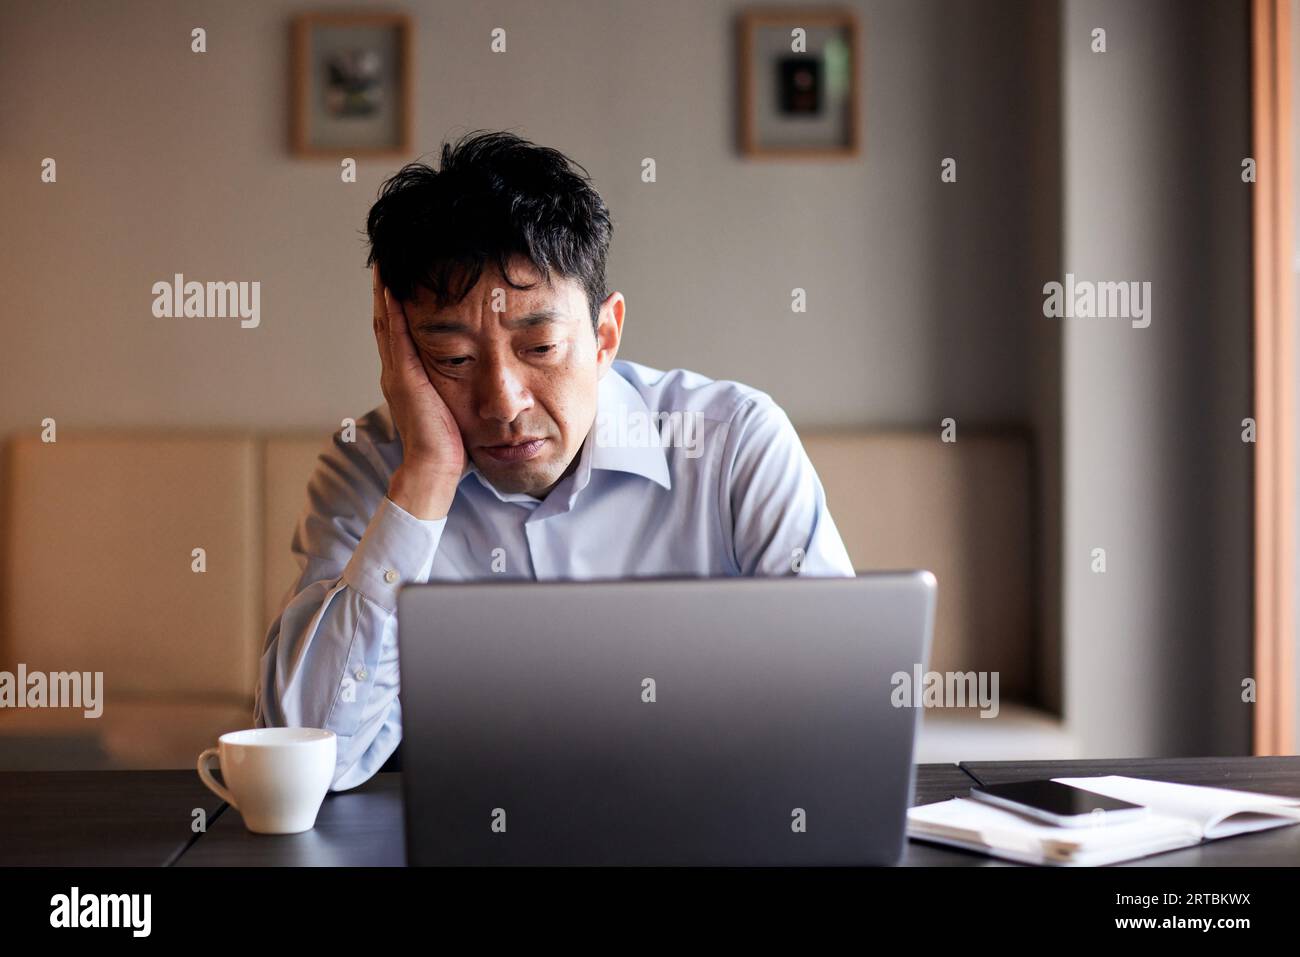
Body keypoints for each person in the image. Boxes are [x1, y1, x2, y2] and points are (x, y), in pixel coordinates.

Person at [254, 130, 855, 790]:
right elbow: (307, 760)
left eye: (538, 347)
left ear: (603, 336)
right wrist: (425, 478)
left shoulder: (733, 444)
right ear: (401, 358)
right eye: (452, 360)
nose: (504, 403)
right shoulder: (372, 471)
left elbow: (841, 718)